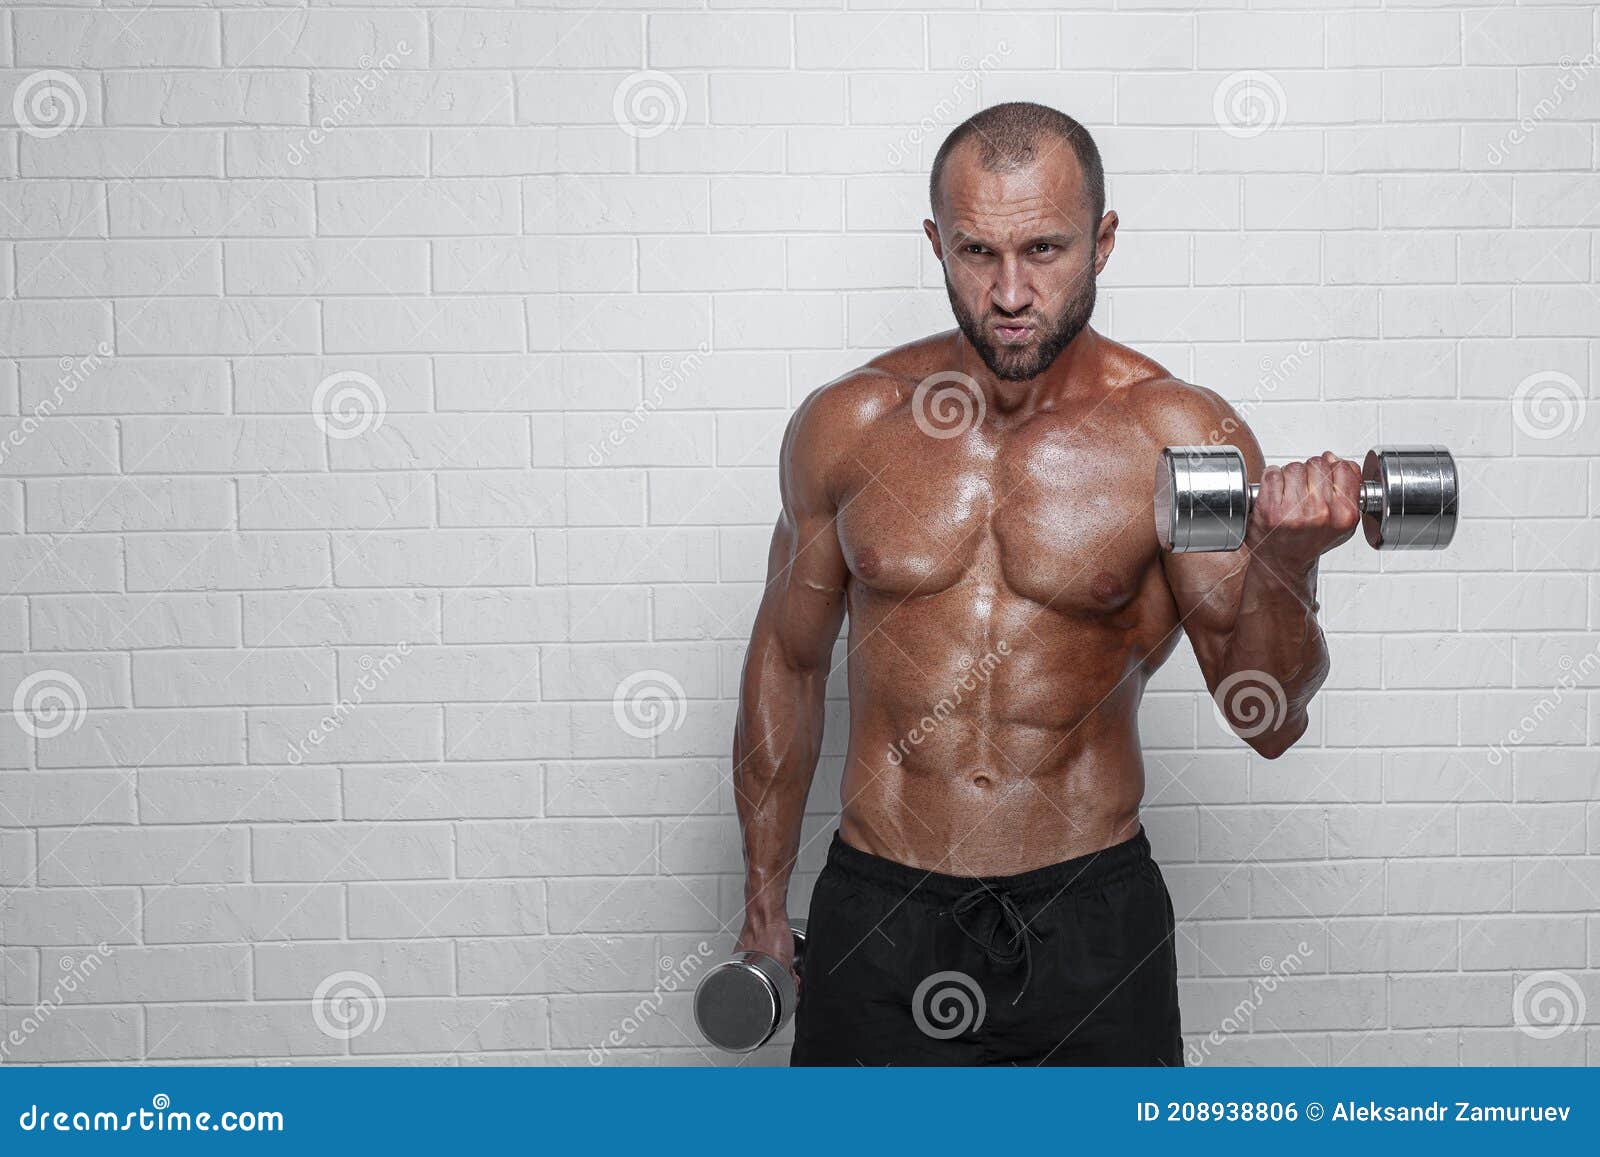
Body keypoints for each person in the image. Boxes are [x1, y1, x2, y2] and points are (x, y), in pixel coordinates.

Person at [731, 101, 1363, 1066]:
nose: (1011, 292)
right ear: (936, 243)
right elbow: (787, 661)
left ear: (1103, 242)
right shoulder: (851, 425)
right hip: (880, 911)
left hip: (1090, 922)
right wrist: (764, 901)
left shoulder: (1175, 437)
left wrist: (1286, 562)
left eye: (1046, 249)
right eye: (978, 253)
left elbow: (1268, 719)